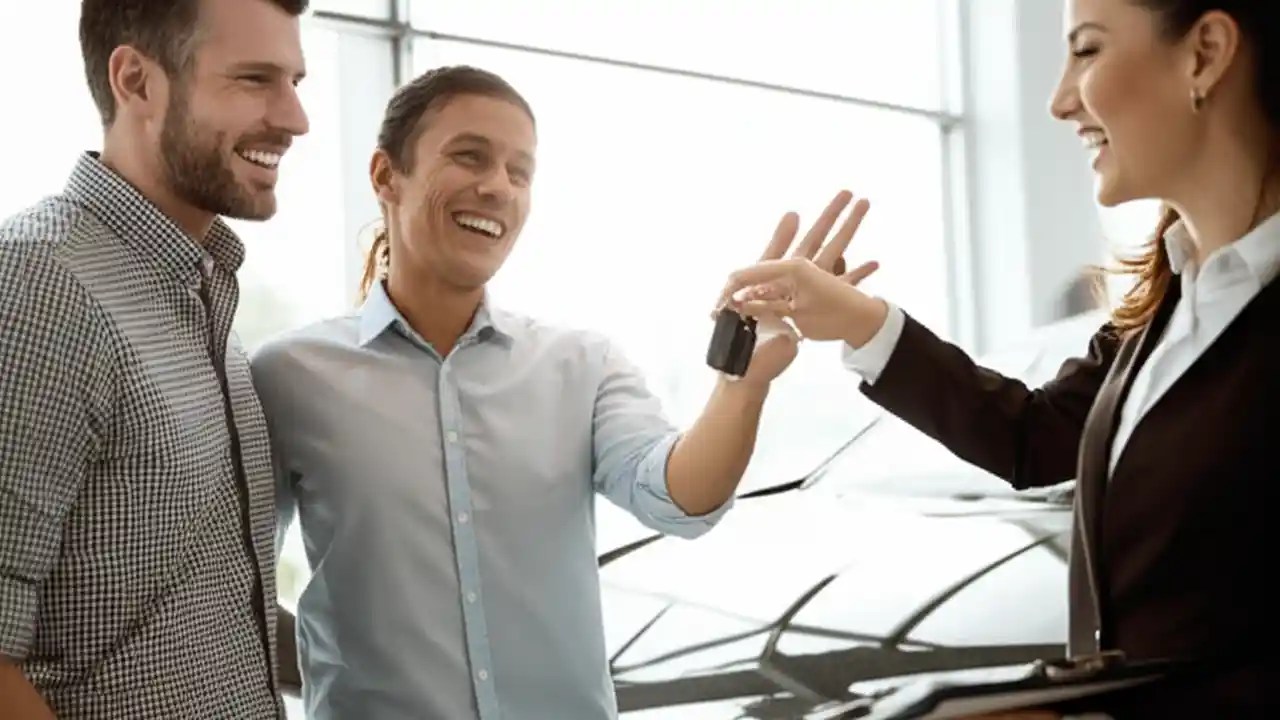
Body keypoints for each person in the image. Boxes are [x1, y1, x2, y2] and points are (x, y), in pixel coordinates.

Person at [248, 65, 870, 720]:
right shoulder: (289, 375)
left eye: (521, 172)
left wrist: (741, 382)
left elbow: (681, 499)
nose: (497, 188)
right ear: (385, 176)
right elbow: (236, 591)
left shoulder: (581, 364)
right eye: (470, 157)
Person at [718, 0, 1279, 717]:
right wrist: (860, 321)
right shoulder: (1175, 302)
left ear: (1203, 53)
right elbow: (1038, 436)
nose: (1057, 101)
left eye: (1087, 50)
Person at [0, 0, 310, 717]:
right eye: (255, 79)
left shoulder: (198, 287)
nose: (295, 118)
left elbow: (197, 599)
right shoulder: (40, 288)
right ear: (136, 81)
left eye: (295, 80)